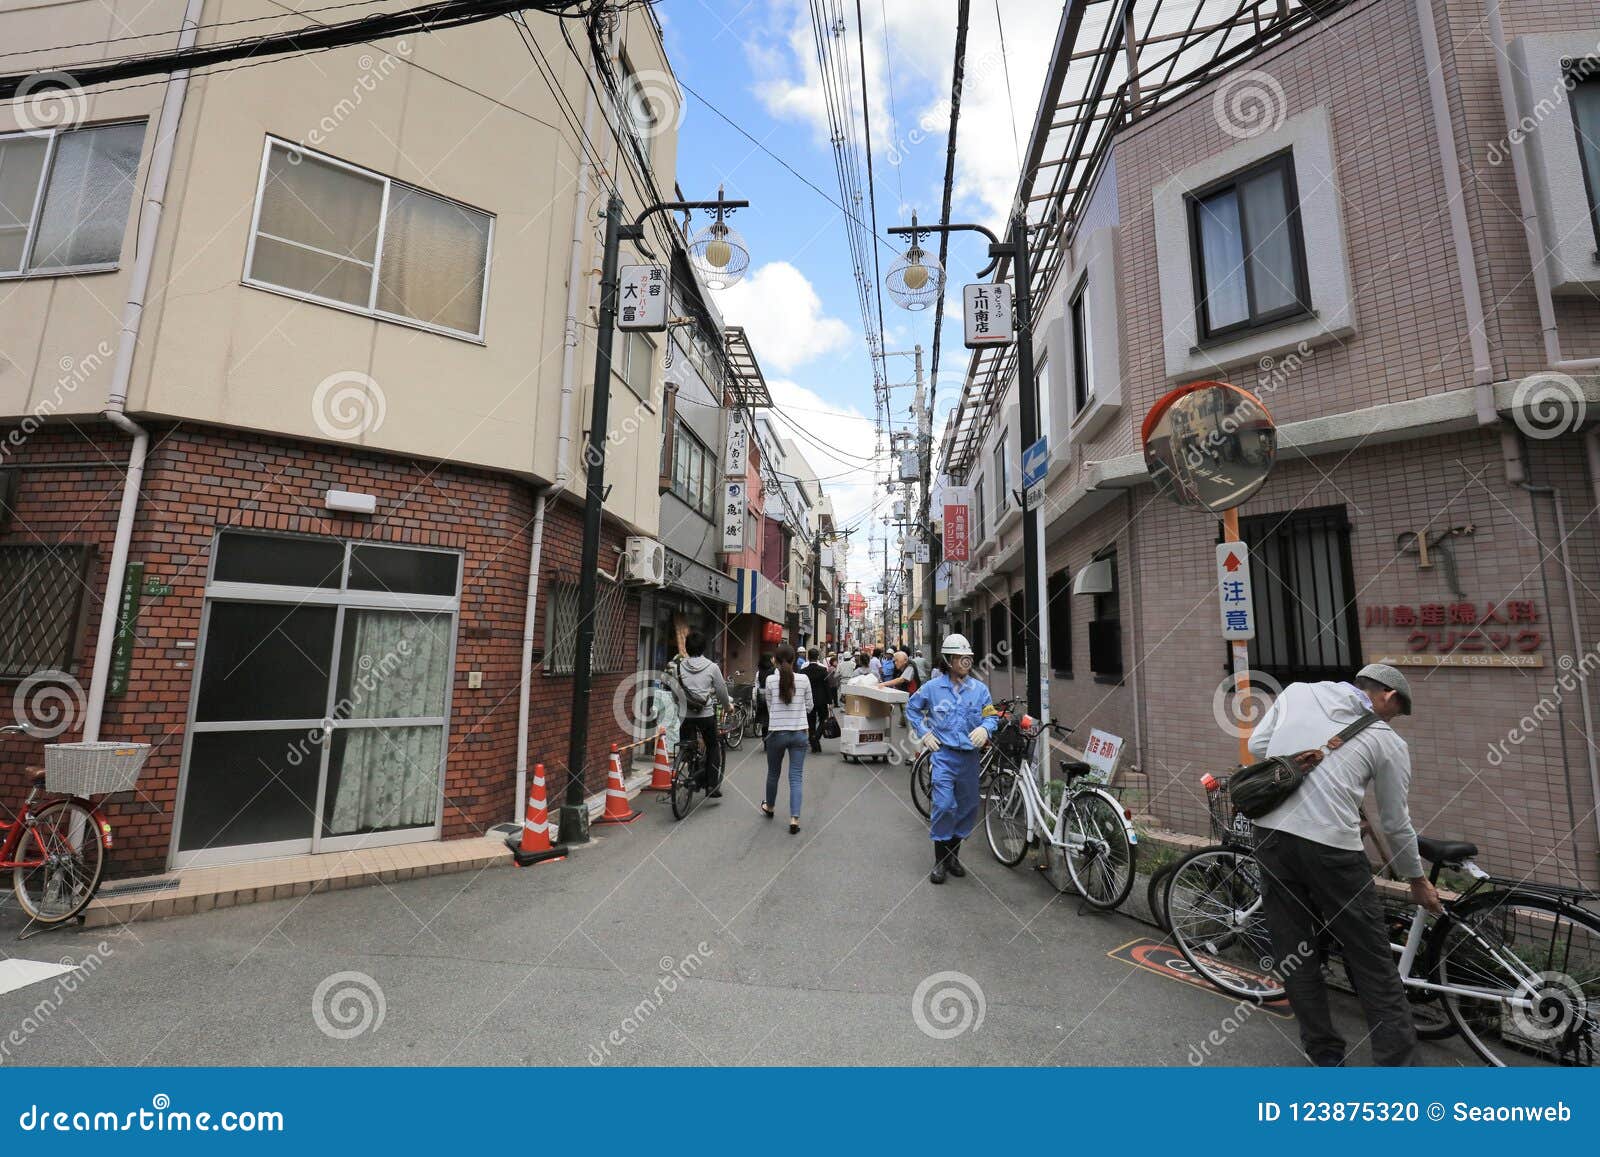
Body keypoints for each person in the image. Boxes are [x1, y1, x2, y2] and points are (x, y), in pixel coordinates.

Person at [1248, 662, 1441, 1067]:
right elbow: (1394, 822)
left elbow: (1258, 748)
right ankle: (1398, 1069)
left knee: (1295, 951)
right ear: (1387, 696)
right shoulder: (1386, 741)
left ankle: (1324, 1053)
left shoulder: (1297, 691)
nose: (1391, 720)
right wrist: (1416, 879)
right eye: (1395, 711)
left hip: (1271, 834)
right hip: (1332, 849)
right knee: (1370, 957)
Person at [906, 634, 998, 884]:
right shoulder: (933, 688)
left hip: (970, 759)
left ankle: (953, 857)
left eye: (967, 658)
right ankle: (939, 862)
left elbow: (991, 716)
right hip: (944, 756)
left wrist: (986, 728)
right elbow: (912, 708)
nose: (965, 662)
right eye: (959, 658)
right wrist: (924, 734)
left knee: (967, 810)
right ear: (948, 660)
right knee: (945, 806)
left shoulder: (980, 690)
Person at [669, 632, 732, 799]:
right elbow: (721, 691)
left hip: (685, 715)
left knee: (687, 745)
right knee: (712, 746)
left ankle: (691, 771)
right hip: (705, 715)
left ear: (687, 648)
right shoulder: (712, 667)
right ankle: (711, 785)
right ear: (704, 648)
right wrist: (727, 706)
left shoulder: (678, 666)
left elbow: (675, 692)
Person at [759, 644, 813, 834]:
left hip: (777, 733)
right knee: (796, 777)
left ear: (776, 659)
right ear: (794, 659)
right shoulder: (804, 679)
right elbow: (809, 706)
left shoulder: (771, 680)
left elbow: (769, 705)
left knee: (773, 773)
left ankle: (770, 807)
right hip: (799, 733)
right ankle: (794, 819)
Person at [803, 646, 832, 752]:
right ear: (818, 657)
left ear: (808, 657)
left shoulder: (803, 671)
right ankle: (816, 737)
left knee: (811, 721)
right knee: (824, 718)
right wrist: (830, 701)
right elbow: (827, 686)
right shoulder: (823, 670)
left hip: (808, 699)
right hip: (821, 699)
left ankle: (812, 738)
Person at [754, 652, 775, 736]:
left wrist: (755, 697)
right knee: (771, 718)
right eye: (773, 658)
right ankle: (770, 739)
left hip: (762, 697)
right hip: (772, 696)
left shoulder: (758, 672)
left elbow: (757, 685)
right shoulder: (775, 671)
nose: (774, 659)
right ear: (770, 660)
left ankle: (765, 739)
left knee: (764, 720)